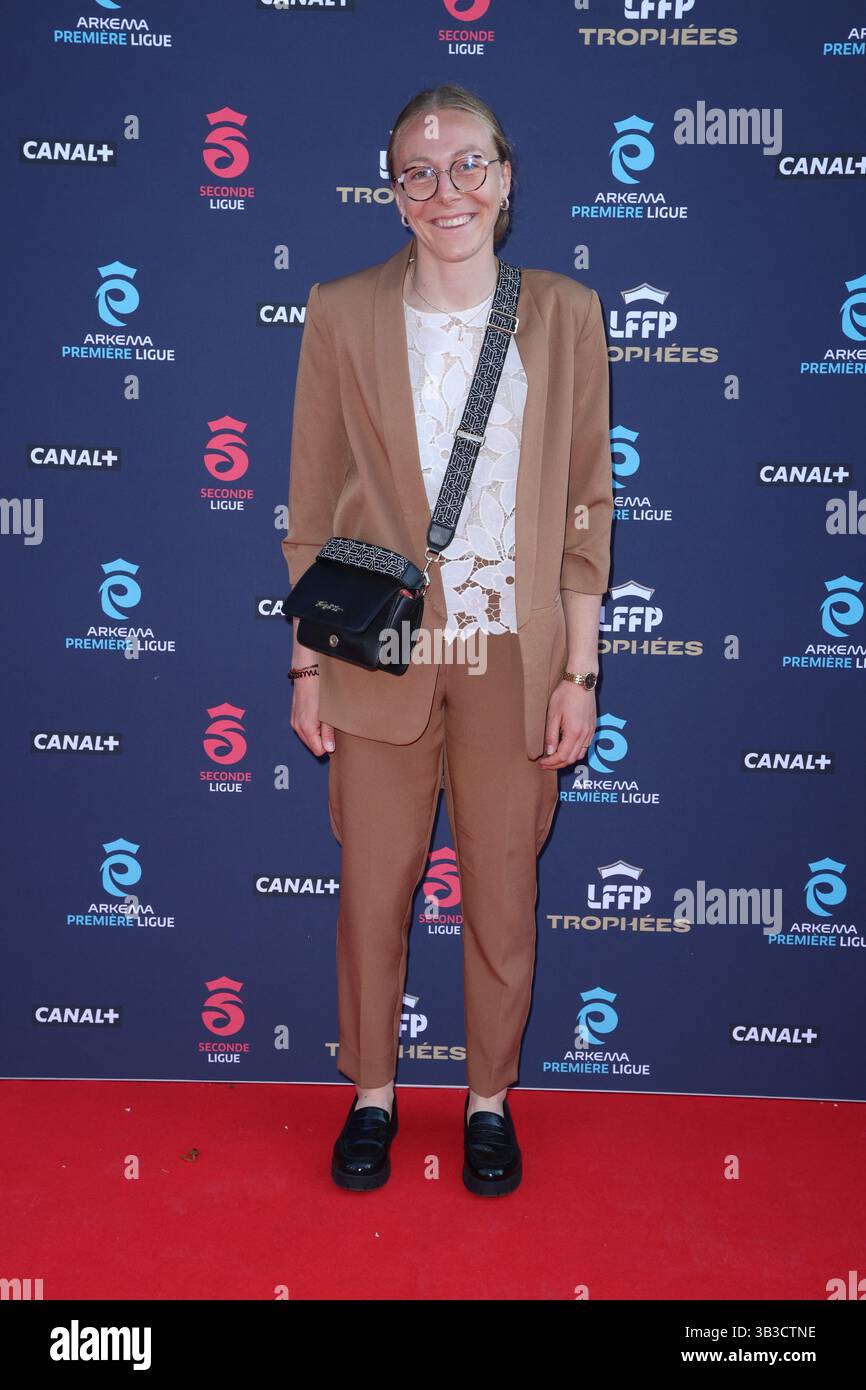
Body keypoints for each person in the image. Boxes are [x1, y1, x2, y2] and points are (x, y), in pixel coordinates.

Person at [281, 84, 613, 1196]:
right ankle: (371, 1092)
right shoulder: (339, 308)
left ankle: (485, 1100)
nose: (444, 190)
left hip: (511, 657)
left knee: (502, 899)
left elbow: (583, 510)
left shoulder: (564, 314)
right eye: (417, 172)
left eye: (466, 165)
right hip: (378, 654)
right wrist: (304, 665)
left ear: (504, 178)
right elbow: (311, 499)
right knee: (372, 889)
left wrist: (579, 667)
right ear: (393, 193)